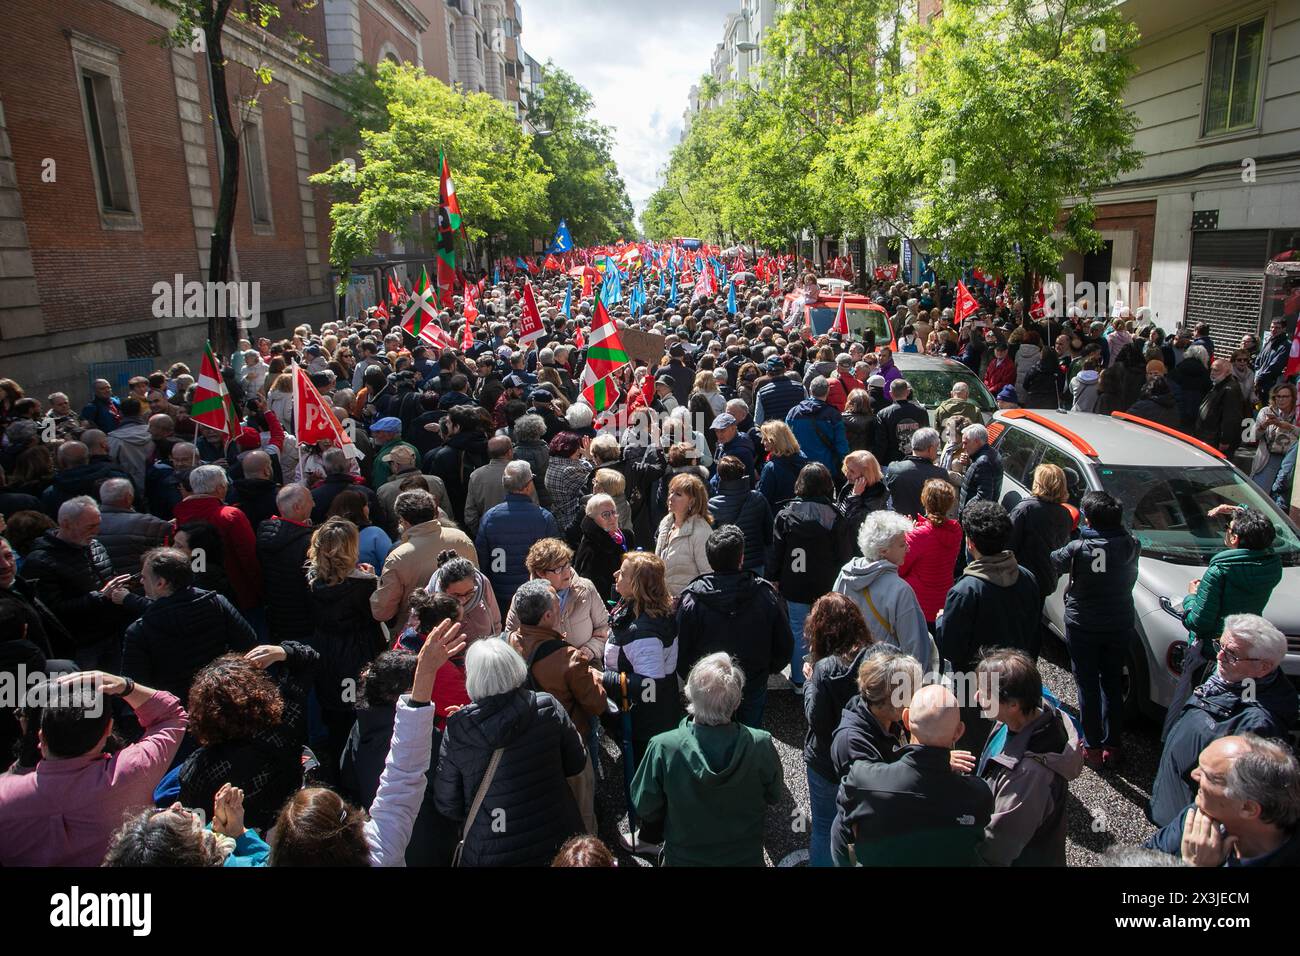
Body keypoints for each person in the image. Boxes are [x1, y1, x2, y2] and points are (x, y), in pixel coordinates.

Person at [0, 668, 187, 866]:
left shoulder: (4, 795)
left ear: (41, 738)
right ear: (108, 729)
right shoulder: (132, 769)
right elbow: (171, 715)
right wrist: (125, 686)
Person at [433, 637, 586, 866]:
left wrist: (468, 720)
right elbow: (576, 762)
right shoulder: (547, 707)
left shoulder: (458, 729)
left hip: (491, 848)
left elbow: (448, 804)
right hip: (557, 836)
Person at [630, 653, 782, 866]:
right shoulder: (761, 744)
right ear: (736, 701)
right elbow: (774, 794)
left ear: (689, 693)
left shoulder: (663, 747)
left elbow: (646, 806)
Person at [1150, 614, 1297, 827]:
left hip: (1188, 826)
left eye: (1232, 654)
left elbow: (1233, 802)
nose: (1219, 656)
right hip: (1171, 804)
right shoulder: (1228, 678)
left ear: (1264, 667)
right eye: (1220, 644)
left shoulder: (1259, 725)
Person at [834, 683, 993, 866]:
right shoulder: (979, 795)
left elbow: (841, 838)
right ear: (958, 732)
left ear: (907, 719)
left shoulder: (863, 780)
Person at [1163, 505, 1283, 739]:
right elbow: (1264, 527)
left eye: (1228, 529)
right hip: (1245, 649)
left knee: (1203, 709)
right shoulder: (1272, 566)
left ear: (1235, 538)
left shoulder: (1220, 570)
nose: (1225, 531)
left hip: (1212, 652)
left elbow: (1199, 622)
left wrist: (1190, 598)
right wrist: (1240, 510)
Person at [506, 579, 607, 835]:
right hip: (567, 745)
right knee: (581, 807)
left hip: (523, 743)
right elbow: (596, 704)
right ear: (549, 615)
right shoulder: (569, 657)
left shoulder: (507, 643)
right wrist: (595, 678)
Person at [937, 500, 1041, 750]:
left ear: (970, 543)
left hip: (973, 690)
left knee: (972, 747)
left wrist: (942, 620)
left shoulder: (964, 591)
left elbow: (950, 648)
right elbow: (1035, 634)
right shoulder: (1027, 578)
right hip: (1014, 683)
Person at [602, 551, 683, 853]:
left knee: (649, 778)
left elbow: (648, 685)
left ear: (637, 585)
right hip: (655, 716)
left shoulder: (645, 630)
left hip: (647, 721)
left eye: (622, 574)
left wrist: (602, 679)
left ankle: (650, 837)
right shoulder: (643, 611)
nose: (615, 577)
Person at [675, 526, 793, 728]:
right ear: (741, 558)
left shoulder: (692, 600)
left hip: (708, 684)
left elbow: (681, 650)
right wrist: (767, 668)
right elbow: (784, 643)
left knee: (708, 738)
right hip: (752, 679)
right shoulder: (765, 595)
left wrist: (695, 676)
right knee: (749, 734)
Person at [974, 649, 1082, 866]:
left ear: (1013, 705)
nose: (977, 697)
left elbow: (998, 847)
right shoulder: (1023, 716)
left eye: (985, 693)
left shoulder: (1028, 776)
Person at [122, 546, 257, 705]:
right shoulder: (218, 603)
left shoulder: (139, 631)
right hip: (222, 698)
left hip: (176, 711)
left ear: (161, 583)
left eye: (144, 577)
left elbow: (135, 686)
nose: (141, 581)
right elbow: (248, 643)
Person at [1143, 734, 1300, 867]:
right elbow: (1142, 858)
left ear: (1247, 808)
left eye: (1208, 776)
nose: (1193, 774)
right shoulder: (1202, 812)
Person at [307, 517, 388, 773]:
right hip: (359, 652)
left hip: (327, 653)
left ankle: (337, 767)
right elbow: (377, 616)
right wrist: (373, 579)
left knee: (336, 716)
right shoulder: (363, 585)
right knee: (361, 714)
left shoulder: (313, 583)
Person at [801, 593, 875, 866]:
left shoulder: (823, 669)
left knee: (823, 827)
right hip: (869, 759)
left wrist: (809, 682)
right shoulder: (878, 657)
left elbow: (816, 719)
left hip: (826, 763)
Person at [768, 462, 851, 695]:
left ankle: (798, 678)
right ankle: (826, 676)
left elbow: (777, 552)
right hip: (827, 583)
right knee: (828, 630)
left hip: (794, 583)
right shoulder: (835, 516)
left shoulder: (785, 514)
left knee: (797, 630)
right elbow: (843, 554)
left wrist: (773, 577)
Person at [21, 495, 128, 671]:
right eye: (90, 526)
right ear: (66, 524)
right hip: (80, 645)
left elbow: (108, 577)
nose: (97, 531)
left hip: (110, 635)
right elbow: (51, 612)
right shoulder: (41, 561)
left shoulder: (95, 546)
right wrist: (100, 596)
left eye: (98, 524)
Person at [834, 510, 932, 668]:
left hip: (847, 669)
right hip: (884, 677)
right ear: (883, 551)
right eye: (902, 544)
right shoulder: (901, 590)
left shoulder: (845, 573)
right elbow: (914, 648)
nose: (907, 548)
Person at [371, 488, 477, 626]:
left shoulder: (398, 557)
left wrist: (374, 582)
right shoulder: (460, 538)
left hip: (419, 633)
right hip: (464, 625)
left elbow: (383, 612)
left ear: (404, 521)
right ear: (436, 513)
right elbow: (476, 583)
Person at [174, 464, 262, 612]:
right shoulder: (230, 515)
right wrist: (259, 589)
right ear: (220, 488)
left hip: (197, 593)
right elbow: (248, 556)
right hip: (237, 591)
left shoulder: (181, 516)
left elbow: (197, 559)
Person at [504, 537, 609, 660]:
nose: (567, 573)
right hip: (544, 673)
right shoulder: (524, 599)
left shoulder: (586, 589)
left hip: (587, 667)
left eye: (567, 565)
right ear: (540, 573)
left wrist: (591, 649)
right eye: (558, 569)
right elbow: (512, 639)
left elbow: (605, 627)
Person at [475, 461, 559, 610]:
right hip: (535, 593)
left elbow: (482, 558)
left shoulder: (490, 517)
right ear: (527, 486)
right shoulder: (544, 518)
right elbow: (555, 559)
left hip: (500, 592)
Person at [1007, 463, 1074, 625]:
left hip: (1020, 579)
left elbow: (1008, 544)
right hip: (1045, 580)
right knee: (1032, 624)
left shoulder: (1026, 508)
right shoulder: (1065, 514)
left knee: (1014, 624)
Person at [898, 479, 963, 628]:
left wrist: (909, 533)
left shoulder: (919, 535)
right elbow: (935, 533)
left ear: (924, 501)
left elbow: (900, 568)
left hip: (918, 603)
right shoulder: (956, 529)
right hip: (942, 601)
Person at [256, 484, 315, 645]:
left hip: (277, 612)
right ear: (297, 507)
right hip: (304, 616)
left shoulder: (264, 533)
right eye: (311, 500)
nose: (314, 504)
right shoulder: (307, 542)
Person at [707, 455, 772, 575]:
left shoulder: (713, 505)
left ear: (720, 476)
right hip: (756, 565)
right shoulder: (758, 498)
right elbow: (769, 534)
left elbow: (711, 541)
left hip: (727, 567)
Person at [95, 477, 171, 576]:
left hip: (101, 583)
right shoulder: (151, 523)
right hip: (138, 583)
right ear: (129, 497)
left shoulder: (88, 522)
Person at [654, 471, 713, 597]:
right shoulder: (666, 523)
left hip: (687, 606)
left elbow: (709, 577)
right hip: (664, 603)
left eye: (678, 494)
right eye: (671, 492)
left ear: (692, 501)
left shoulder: (701, 532)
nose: (670, 497)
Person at [572, 492, 634, 604]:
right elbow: (592, 591)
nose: (612, 518)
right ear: (593, 519)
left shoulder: (625, 536)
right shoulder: (591, 549)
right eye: (605, 515)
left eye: (613, 512)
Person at [882, 427, 950, 519]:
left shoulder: (893, 469)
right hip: (928, 527)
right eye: (937, 447)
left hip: (901, 525)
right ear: (930, 449)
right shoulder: (940, 474)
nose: (937, 451)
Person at [785, 376, 848, 473]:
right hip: (826, 467)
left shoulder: (793, 412)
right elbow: (841, 443)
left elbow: (786, 439)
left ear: (810, 390)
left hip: (800, 466)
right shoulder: (833, 414)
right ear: (827, 392)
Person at [835, 450, 888, 555]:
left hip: (859, 549)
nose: (847, 474)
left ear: (865, 475)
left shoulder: (877, 493)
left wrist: (855, 496)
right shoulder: (852, 483)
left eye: (852, 472)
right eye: (847, 469)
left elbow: (857, 522)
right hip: (845, 541)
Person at [543, 431, 594, 539]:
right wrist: (590, 458)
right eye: (577, 447)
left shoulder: (554, 464)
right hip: (571, 520)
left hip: (560, 517)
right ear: (568, 449)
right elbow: (594, 481)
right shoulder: (569, 471)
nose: (579, 450)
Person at [1250, 382, 1298, 493]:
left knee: (1281, 497)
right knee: (1260, 495)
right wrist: (1263, 425)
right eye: (1278, 396)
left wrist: (1289, 427)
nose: (1281, 399)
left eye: (1285, 396)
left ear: (1293, 398)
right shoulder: (1266, 411)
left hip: (1290, 460)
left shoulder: (1297, 414)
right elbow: (1252, 437)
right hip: (1268, 459)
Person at [874, 378, 930, 468]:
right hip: (917, 462)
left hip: (891, 463)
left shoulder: (883, 414)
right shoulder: (921, 412)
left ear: (891, 394)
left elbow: (881, 442)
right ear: (908, 392)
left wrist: (877, 463)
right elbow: (927, 438)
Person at [1196, 358, 1247, 457]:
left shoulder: (1229, 389)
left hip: (1215, 438)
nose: (1212, 373)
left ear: (1227, 372)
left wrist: (1225, 440)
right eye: (1212, 369)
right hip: (1208, 435)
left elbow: (1231, 417)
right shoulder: (1219, 385)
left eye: (1216, 370)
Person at [755, 420, 809, 512]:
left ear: (774, 440)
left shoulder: (771, 467)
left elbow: (763, 497)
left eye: (765, 438)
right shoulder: (802, 457)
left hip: (779, 514)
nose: (761, 441)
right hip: (800, 511)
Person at [957, 423, 1003, 511]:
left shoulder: (983, 462)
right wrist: (969, 464)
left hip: (973, 516)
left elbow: (983, 496)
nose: (963, 447)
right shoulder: (990, 454)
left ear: (977, 442)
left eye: (965, 443)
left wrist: (965, 509)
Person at [1254, 316, 1292, 402]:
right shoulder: (1269, 342)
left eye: (1277, 328)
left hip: (1273, 387)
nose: (1273, 330)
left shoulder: (1286, 345)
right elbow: (1258, 360)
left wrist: (1259, 378)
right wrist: (1256, 376)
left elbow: (1276, 366)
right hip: (1260, 384)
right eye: (1272, 327)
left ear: (1284, 329)